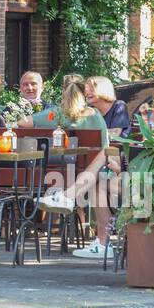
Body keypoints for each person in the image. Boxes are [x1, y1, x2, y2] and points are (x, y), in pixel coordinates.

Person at [36, 79, 114, 260]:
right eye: (86, 91)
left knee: (99, 176)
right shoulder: (95, 114)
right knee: (97, 180)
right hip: (95, 172)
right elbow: (106, 146)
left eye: (91, 90)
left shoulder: (59, 114)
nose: (88, 93)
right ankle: (103, 243)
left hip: (117, 170)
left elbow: (23, 122)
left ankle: (68, 198)